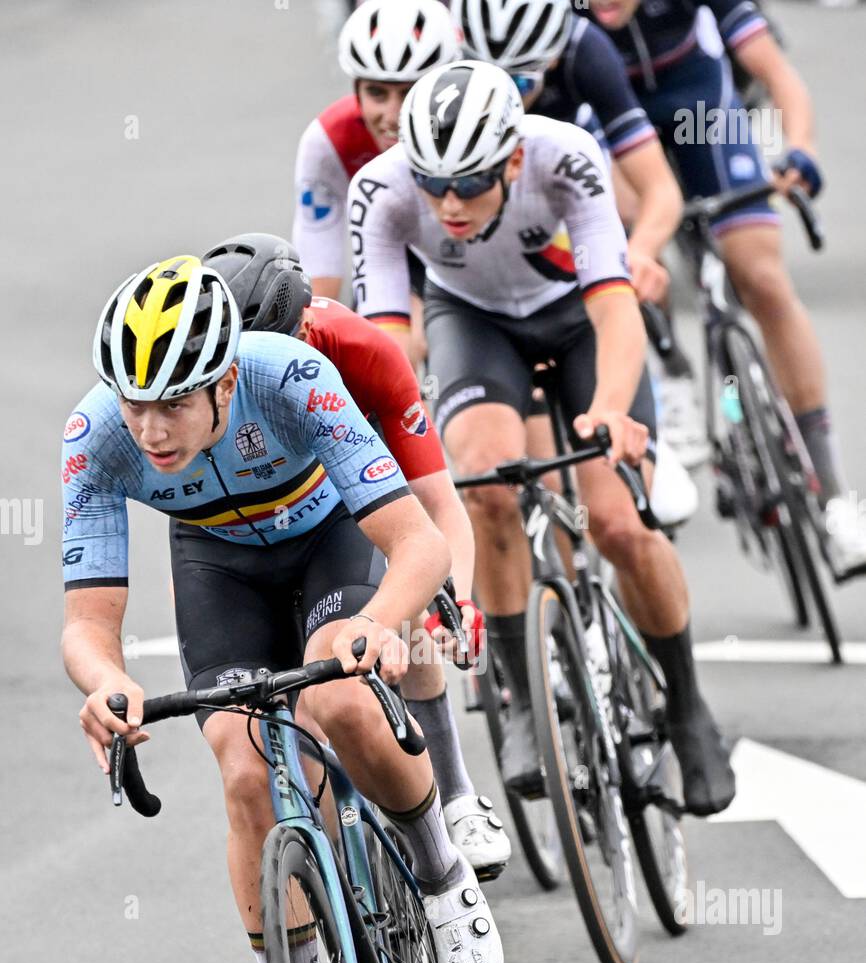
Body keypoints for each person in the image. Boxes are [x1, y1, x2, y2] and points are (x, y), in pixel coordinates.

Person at [61, 255, 504, 963]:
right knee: (244, 768)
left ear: (225, 378)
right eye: (134, 401)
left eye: (175, 402)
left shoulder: (292, 375)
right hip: (218, 563)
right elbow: (87, 625)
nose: (149, 428)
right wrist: (106, 684)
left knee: (338, 698)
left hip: (329, 538)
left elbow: (417, 540)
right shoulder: (96, 435)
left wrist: (381, 623)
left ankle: (440, 873)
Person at [349, 60, 735, 815]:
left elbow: (615, 305)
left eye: (470, 183)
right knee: (487, 487)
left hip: (576, 314)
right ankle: (525, 699)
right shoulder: (385, 190)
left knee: (620, 522)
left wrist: (615, 411)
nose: (449, 203)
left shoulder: (564, 157)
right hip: (475, 323)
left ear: (513, 159)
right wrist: (394, 456)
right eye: (435, 184)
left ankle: (688, 709)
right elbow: (385, 348)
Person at [201, 232, 512, 877]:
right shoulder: (211, 390)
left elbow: (438, 505)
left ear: (306, 326)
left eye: (273, 350)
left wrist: (460, 597)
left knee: (419, 605)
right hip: (258, 529)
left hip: (353, 493)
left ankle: (452, 794)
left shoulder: (363, 353)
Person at [580, 0, 866, 579]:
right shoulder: (575, 25)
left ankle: (835, 496)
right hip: (615, 116)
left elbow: (777, 76)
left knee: (760, 277)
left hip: (703, 109)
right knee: (631, 228)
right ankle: (673, 369)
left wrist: (802, 149)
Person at [452, 0, 698, 514]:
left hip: (571, 183)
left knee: (622, 213)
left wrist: (641, 253)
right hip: (493, 233)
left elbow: (660, 190)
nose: (508, 100)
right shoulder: (448, 70)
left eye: (522, 84)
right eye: (493, 78)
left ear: (552, 57)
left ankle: (662, 379)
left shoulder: (584, 48)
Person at [292, 0, 461, 366]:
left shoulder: (473, 129)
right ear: (355, 90)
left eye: (409, 92)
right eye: (377, 93)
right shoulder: (328, 140)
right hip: (388, 248)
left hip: (473, 258)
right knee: (375, 360)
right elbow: (318, 265)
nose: (393, 115)